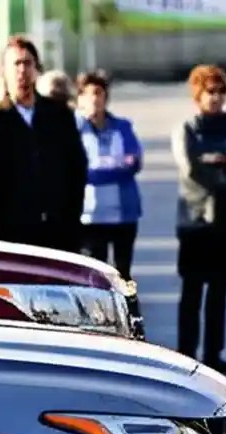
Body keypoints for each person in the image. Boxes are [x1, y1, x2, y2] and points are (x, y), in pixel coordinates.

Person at [0, 35, 87, 252]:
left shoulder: (59, 115)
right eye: (16, 64)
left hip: (59, 232)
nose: (22, 70)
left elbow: (77, 168)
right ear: (3, 70)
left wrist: (71, 216)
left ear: (36, 68)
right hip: (13, 235)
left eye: (27, 63)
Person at [171, 64, 226, 374]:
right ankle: (185, 353)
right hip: (196, 219)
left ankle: (213, 354)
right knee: (192, 290)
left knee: (219, 290)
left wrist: (224, 162)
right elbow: (190, 167)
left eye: (221, 92)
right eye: (210, 92)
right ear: (198, 95)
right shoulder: (188, 128)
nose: (216, 98)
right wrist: (222, 167)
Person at [75, 70, 143, 280]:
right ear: (80, 99)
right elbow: (77, 171)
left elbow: (134, 162)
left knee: (123, 272)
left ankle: (129, 311)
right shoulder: (75, 130)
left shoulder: (122, 127)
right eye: (89, 94)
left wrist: (99, 170)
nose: (95, 99)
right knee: (96, 275)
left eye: (99, 93)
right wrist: (113, 167)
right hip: (90, 215)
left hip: (123, 212)